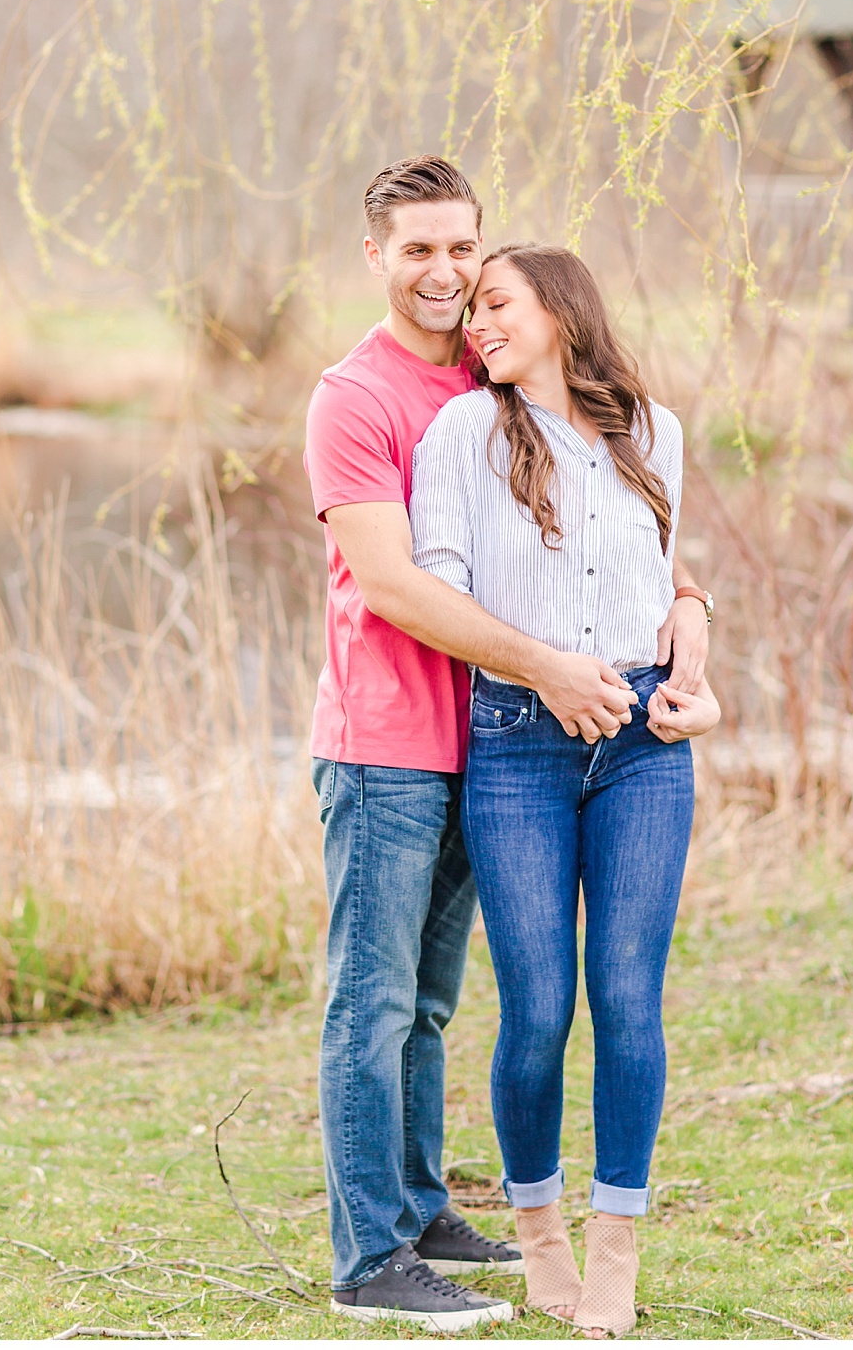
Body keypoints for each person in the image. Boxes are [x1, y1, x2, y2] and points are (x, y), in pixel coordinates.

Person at [304, 157, 712, 1332]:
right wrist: (548, 670)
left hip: (485, 741)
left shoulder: (524, 398)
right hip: (395, 740)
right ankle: (370, 1256)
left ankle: (424, 1210)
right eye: (419, 252)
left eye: (465, 257)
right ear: (374, 254)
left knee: (432, 1003)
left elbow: (623, 549)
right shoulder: (367, 398)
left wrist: (691, 617)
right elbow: (389, 580)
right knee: (374, 1004)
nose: (448, 278)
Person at [409, 243, 721, 1338]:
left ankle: (616, 1245)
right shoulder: (461, 434)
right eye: (473, 312)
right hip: (517, 739)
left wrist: (694, 665)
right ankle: (537, 1230)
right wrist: (544, 668)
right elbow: (437, 585)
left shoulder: (653, 429)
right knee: (537, 1007)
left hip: (642, 745)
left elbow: (670, 583)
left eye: (496, 304)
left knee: (628, 997)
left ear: (560, 310)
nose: (475, 325)